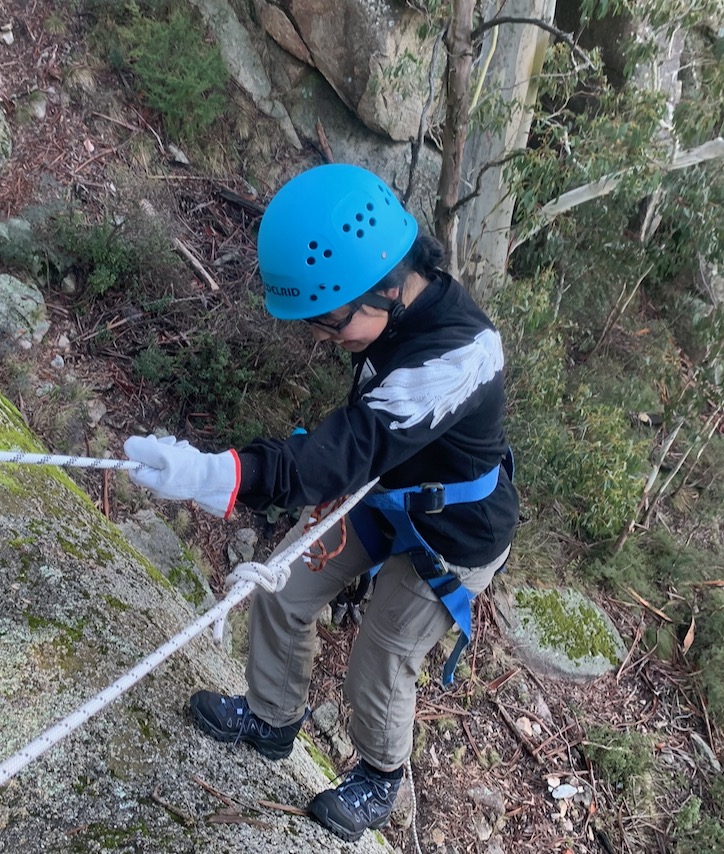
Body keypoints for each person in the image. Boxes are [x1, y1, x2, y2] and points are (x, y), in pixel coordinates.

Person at [124, 163, 518, 842]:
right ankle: (274, 720)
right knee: (284, 588)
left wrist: (218, 475)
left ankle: (379, 776)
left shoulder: (461, 354)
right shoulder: (395, 315)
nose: (323, 338)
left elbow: (351, 444)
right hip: (383, 491)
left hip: (457, 531)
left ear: (385, 287)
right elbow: (358, 446)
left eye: (330, 324)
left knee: (384, 650)